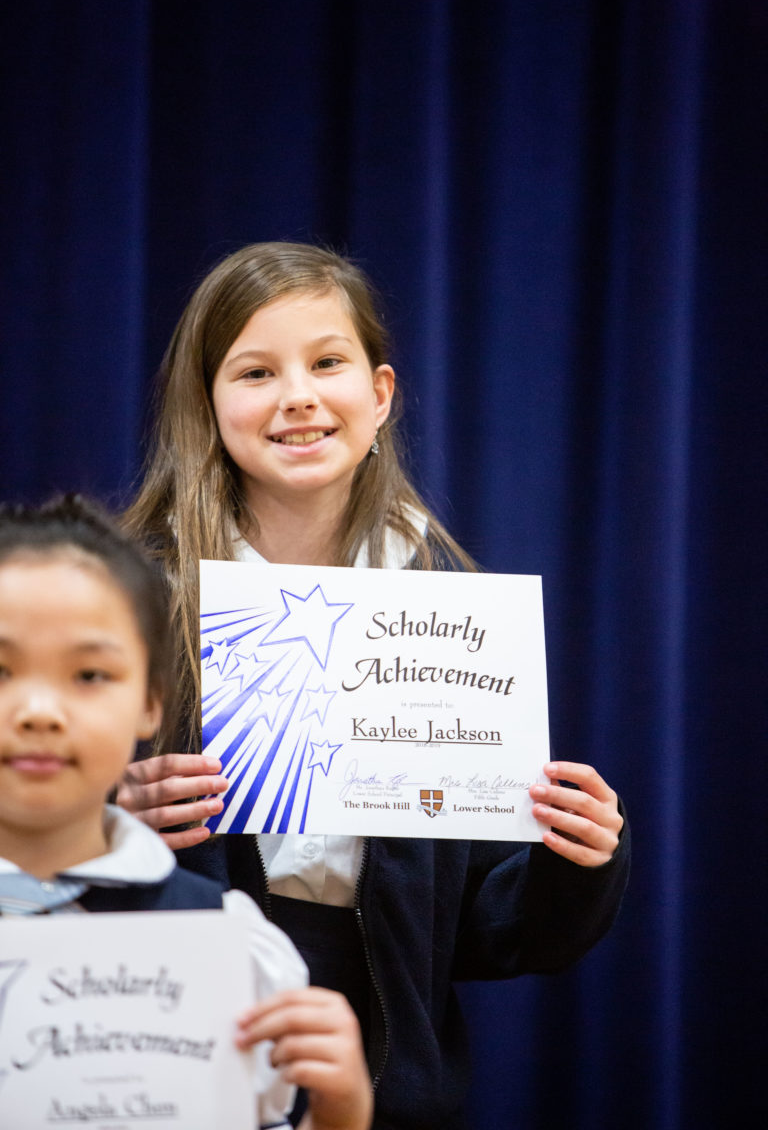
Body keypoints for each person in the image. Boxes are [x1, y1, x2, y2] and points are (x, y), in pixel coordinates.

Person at [116, 241, 630, 1130]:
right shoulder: (126, 598)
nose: (298, 397)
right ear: (210, 403)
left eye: (326, 362)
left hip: (392, 1082)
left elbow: (483, 930)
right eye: (254, 371)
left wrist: (575, 860)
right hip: (169, 1062)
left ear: (380, 394)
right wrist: (108, 821)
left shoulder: (453, 613)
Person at [0, 495, 372, 1130]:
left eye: (89, 675)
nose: (39, 709)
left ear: (151, 703)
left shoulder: (233, 941)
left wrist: (337, 1115)